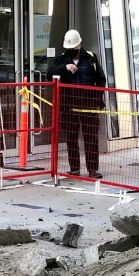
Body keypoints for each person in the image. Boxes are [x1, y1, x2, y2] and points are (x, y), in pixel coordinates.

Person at [48, 29, 107, 179]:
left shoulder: (91, 59)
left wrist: (97, 98)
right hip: (69, 106)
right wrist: (65, 68)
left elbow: (100, 80)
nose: (72, 51)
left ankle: (92, 169)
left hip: (89, 105)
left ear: (79, 45)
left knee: (90, 138)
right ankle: (74, 168)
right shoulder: (61, 60)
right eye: (69, 49)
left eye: (74, 48)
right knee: (71, 137)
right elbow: (50, 74)